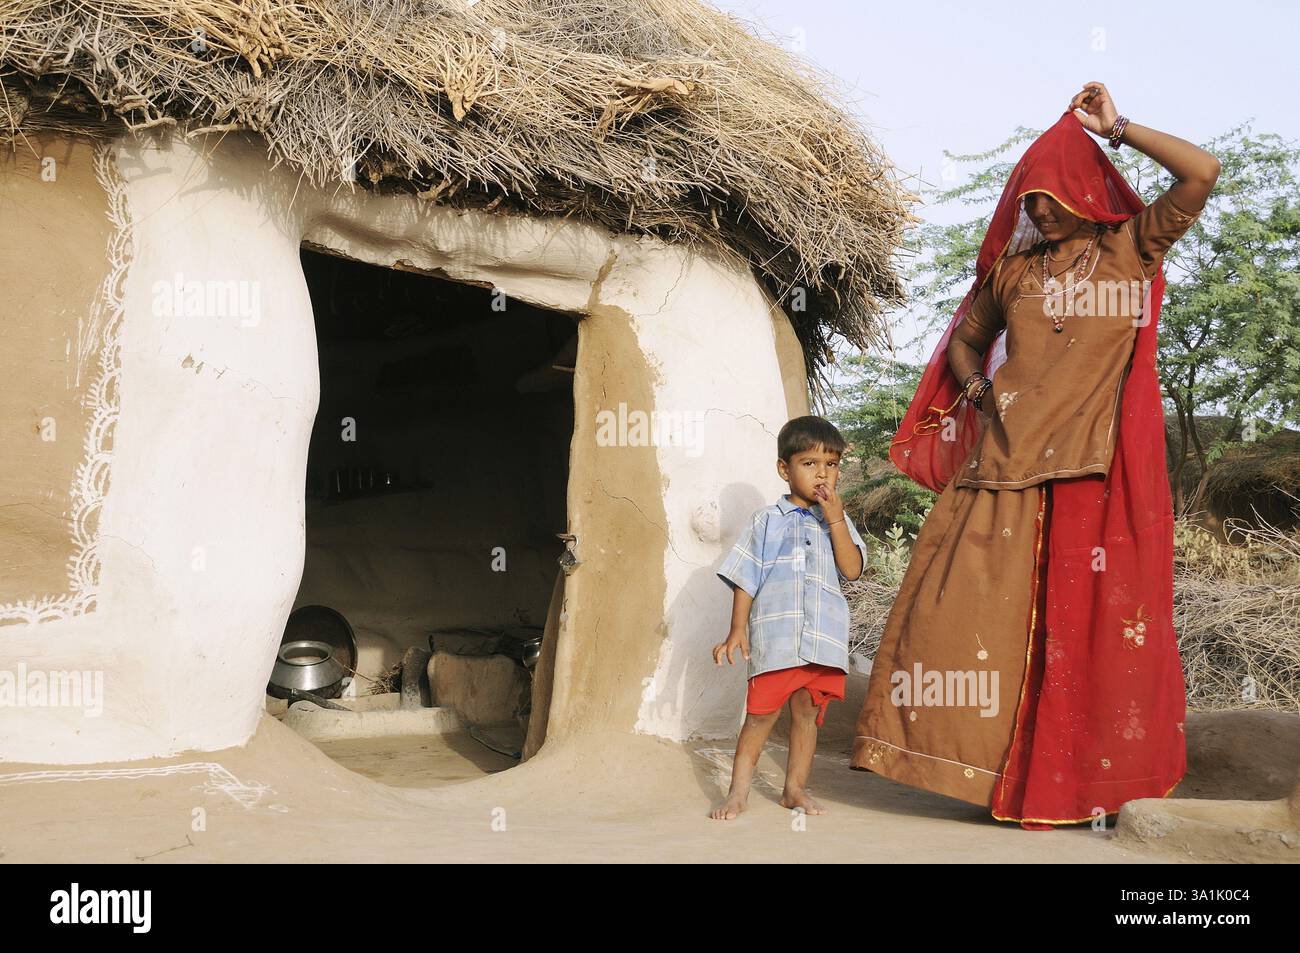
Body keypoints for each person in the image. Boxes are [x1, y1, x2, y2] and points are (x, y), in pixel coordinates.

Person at [850, 83, 1220, 829]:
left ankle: (1069, 787)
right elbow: (963, 337)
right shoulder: (1013, 273)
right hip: (1001, 467)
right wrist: (980, 392)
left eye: (1052, 193)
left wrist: (1117, 130)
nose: (1040, 209)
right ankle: (980, 772)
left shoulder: (1129, 249)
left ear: (1083, 188)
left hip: (1090, 470)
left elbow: (1202, 173)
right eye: (1031, 196)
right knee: (953, 619)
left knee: (1084, 636)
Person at [710, 415, 869, 820]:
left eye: (831, 465)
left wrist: (835, 519)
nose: (823, 474)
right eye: (810, 463)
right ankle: (738, 793)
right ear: (785, 469)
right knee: (760, 717)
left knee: (807, 716)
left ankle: (793, 790)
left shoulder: (838, 522)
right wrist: (736, 630)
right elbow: (747, 576)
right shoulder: (767, 521)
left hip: (823, 640)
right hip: (777, 639)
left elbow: (851, 569)